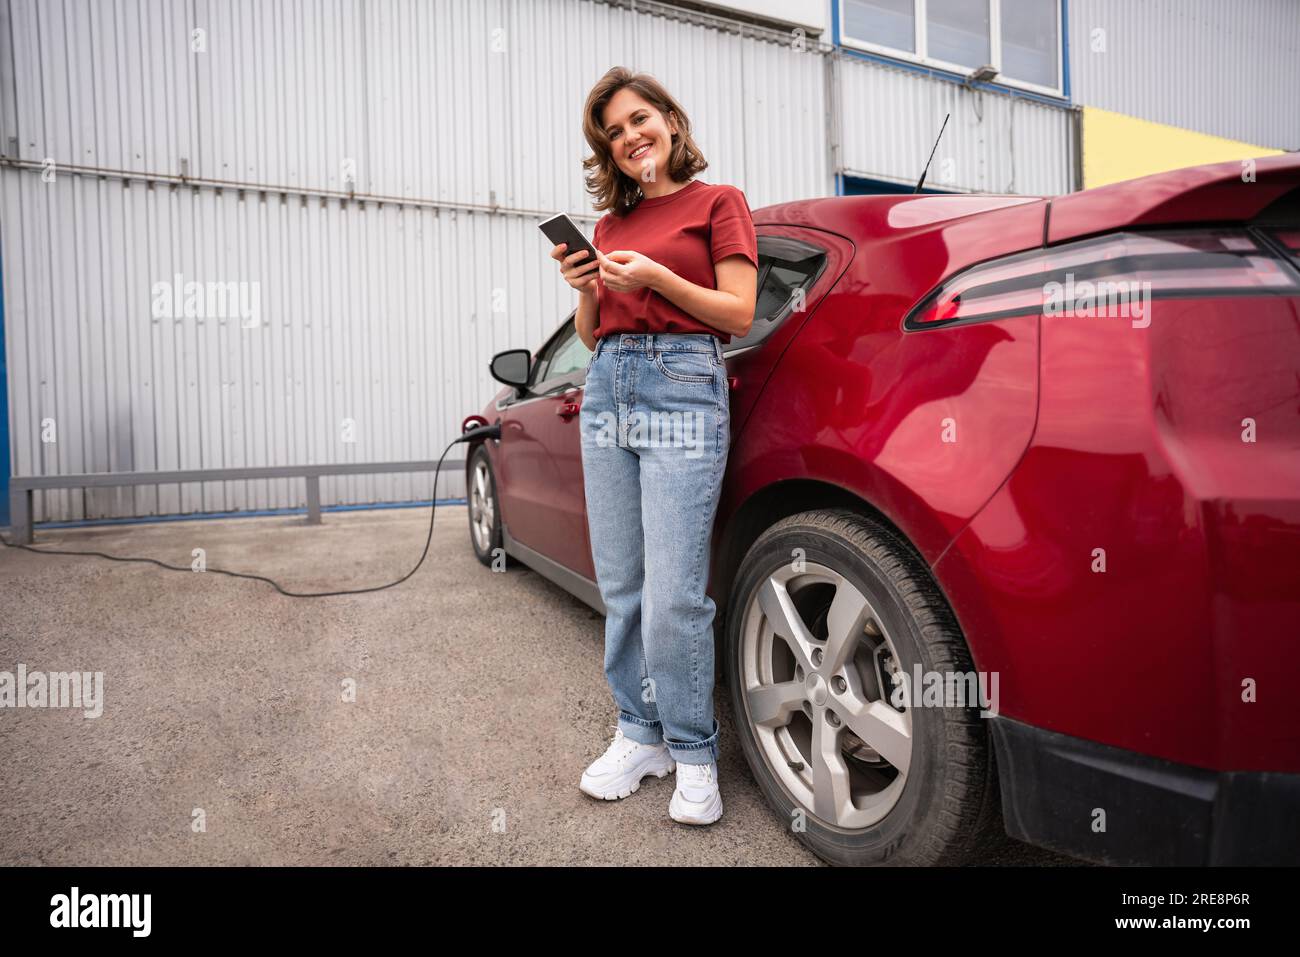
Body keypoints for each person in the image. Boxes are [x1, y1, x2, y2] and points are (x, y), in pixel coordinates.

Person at [549, 67, 758, 825]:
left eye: (640, 118)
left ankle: (694, 749)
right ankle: (641, 734)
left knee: (675, 595)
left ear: (670, 120)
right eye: (614, 130)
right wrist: (584, 286)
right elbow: (591, 332)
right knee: (625, 585)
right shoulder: (610, 227)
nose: (630, 135)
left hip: (681, 384)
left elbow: (736, 315)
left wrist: (661, 277)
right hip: (607, 383)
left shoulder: (718, 202)